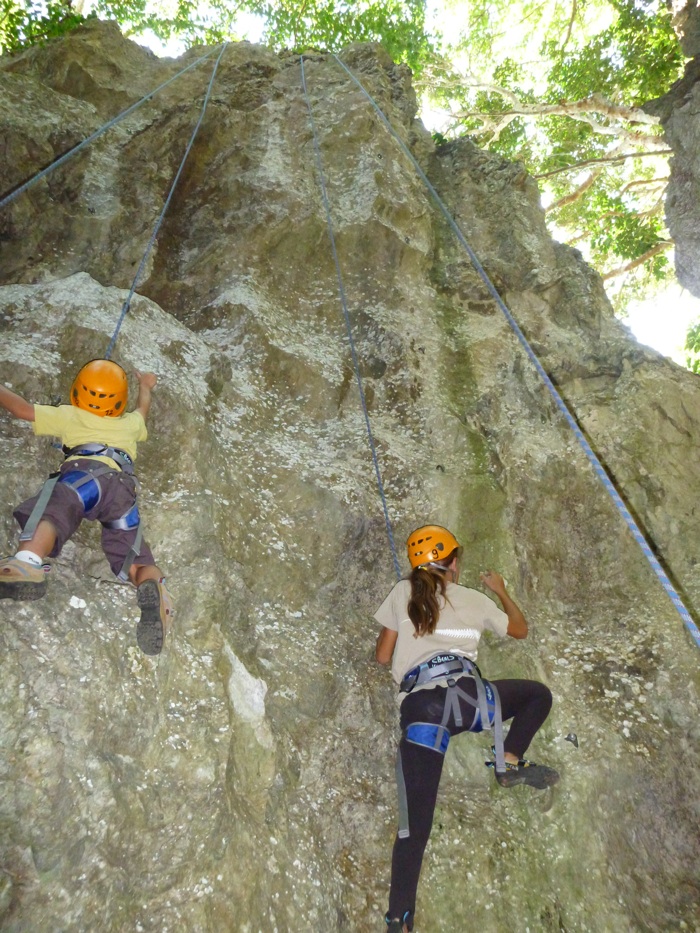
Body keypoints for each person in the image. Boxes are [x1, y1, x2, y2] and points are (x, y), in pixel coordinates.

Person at [374, 524, 558, 933]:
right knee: (537, 696)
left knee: (414, 828)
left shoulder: (401, 593)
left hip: (423, 709)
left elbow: (383, 657)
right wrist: (501, 590)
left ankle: (399, 920)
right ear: (453, 563)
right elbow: (520, 630)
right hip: (474, 701)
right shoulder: (474, 598)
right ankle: (507, 759)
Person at [0, 359, 173, 656]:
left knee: (54, 511)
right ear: (118, 403)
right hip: (121, 489)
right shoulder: (129, 424)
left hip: (83, 478)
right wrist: (145, 386)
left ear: (78, 393)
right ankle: (153, 585)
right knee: (132, 551)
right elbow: (142, 413)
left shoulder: (71, 415)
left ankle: (28, 562)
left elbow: (22, 409)